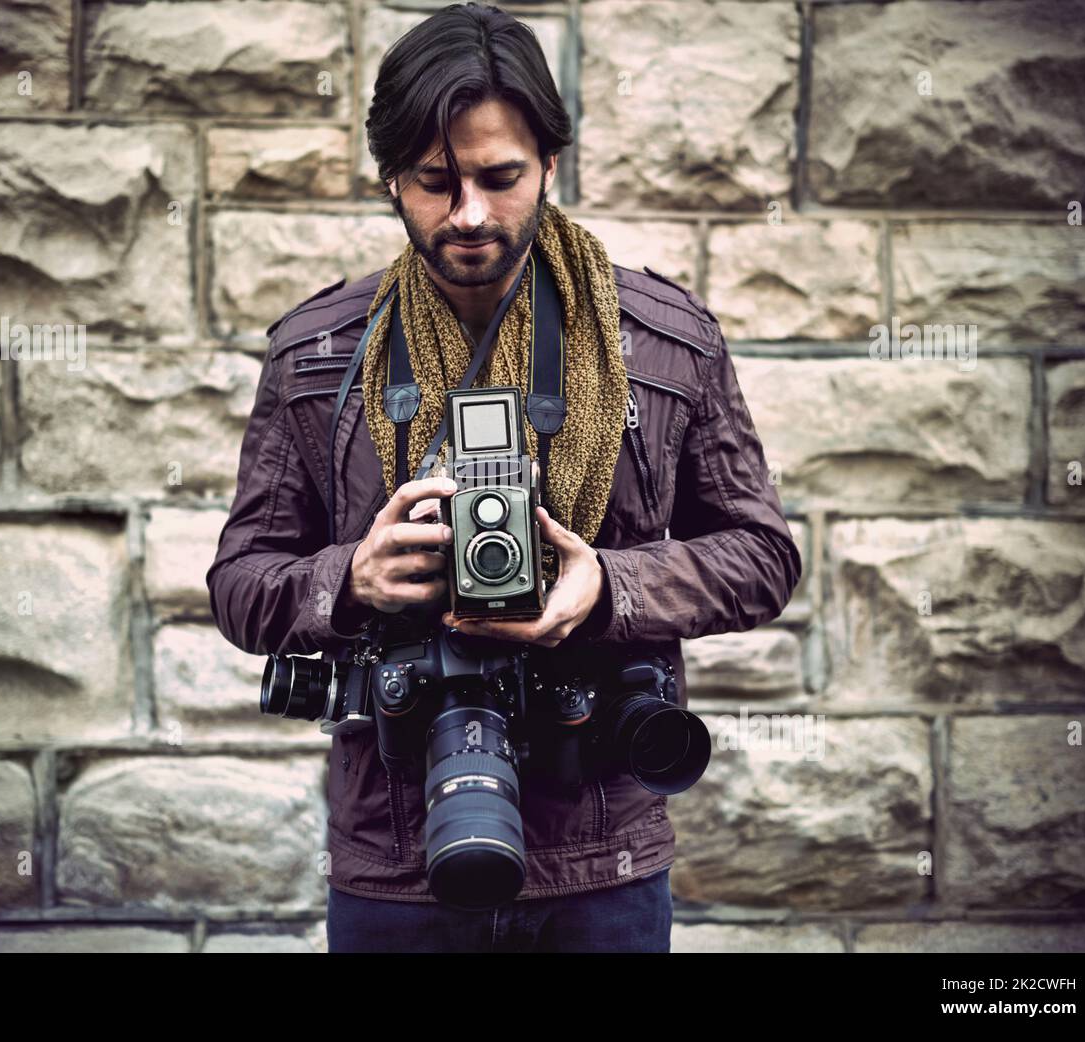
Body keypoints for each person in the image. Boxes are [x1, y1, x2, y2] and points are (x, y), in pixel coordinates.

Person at [206, 2, 801, 953]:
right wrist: (349, 580)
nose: (471, 213)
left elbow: (764, 557)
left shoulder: (660, 343)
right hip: (396, 850)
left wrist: (609, 585)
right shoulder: (319, 356)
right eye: (436, 182)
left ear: (552, 165)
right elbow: (239, 585)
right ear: (391, 179)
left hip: (601, 842)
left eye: (501, 176)